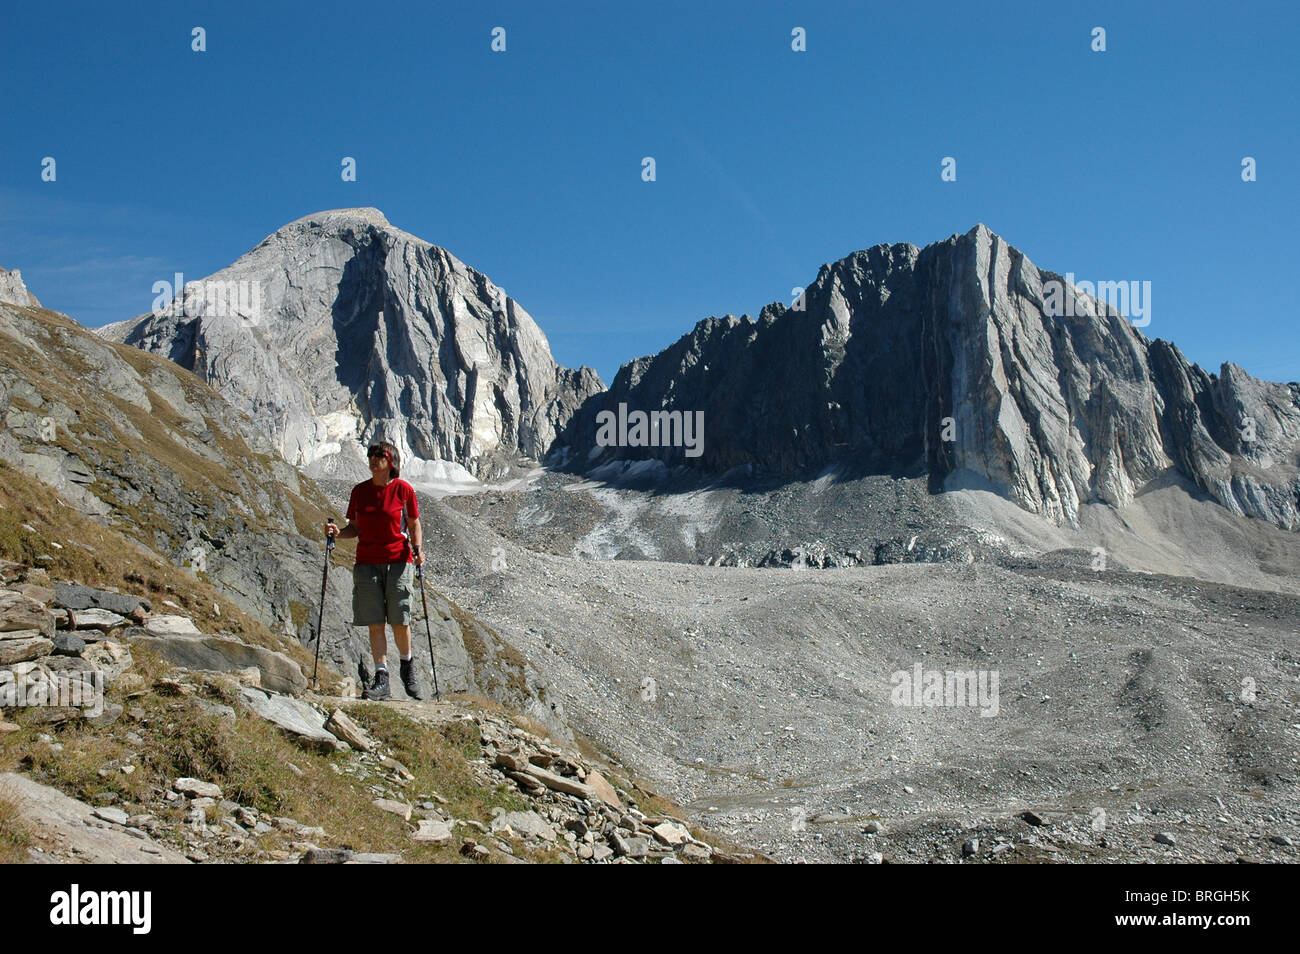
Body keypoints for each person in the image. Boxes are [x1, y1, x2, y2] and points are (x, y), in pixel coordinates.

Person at [325, 442, 426, 700]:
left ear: (391, 461)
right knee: (375, 621)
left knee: (400, 620)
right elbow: (355, 528)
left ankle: (407, 665)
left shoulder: (403, 490)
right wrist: (338, 533)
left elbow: (414, 523)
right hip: (367, 562)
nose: (373, 459)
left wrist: (418, 550)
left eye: (379, 455)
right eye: (370, 455)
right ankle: (382, 678)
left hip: (398, 561)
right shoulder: (359, 492)